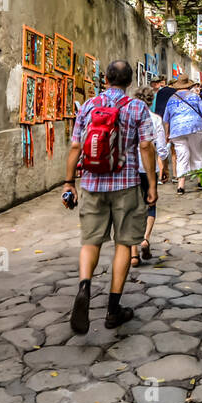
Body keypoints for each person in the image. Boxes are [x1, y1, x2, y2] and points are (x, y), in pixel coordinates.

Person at [63, 60, 157, 333]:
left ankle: (85, 287)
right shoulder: (137, 107)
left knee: (90, 241)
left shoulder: (89, 106)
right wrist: (151, 184)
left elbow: (76, 147)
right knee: (124, 244)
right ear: (129, 82)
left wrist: (69, 183)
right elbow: (146, 146)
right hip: (126, 185)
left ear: (105, 79)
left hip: (92, 184)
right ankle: (113, 309)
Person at [132, 84, 168, 265]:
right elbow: (161, 148)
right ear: (151, 101)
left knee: (131, 209)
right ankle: (145, 238)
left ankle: (133, 253)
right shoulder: (155, 119)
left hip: (130, 169)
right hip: (149, 169)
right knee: (150, 205)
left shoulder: (129, 118)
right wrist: (165, 167)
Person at [163, 76, 202, 194]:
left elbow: (167, 119)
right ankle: (200, 181)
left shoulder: (171, 99)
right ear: (188, 85)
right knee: (196, 155)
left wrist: (167, 133)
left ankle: (181, 186)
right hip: (195, 127)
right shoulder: (194, 96)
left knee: (182, 156)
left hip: (177, 130)